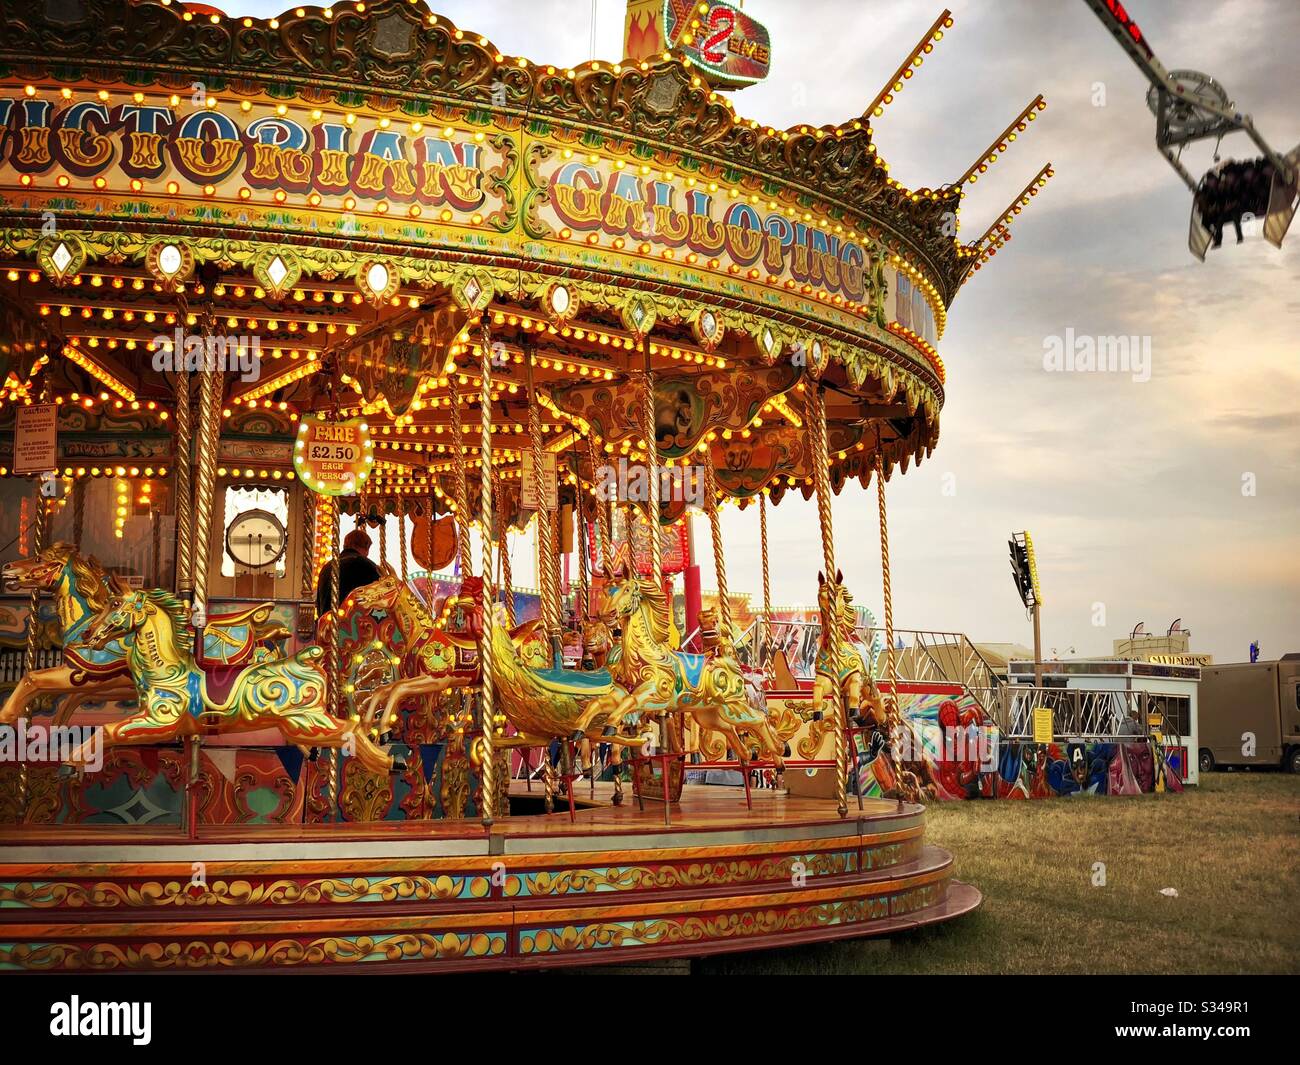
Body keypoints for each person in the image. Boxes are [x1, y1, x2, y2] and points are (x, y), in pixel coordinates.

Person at [316, 527, 382, 616]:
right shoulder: (367, 566)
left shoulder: (327, 567)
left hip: (325, 622)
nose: (367, 554)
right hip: (354, 625)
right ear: (366, 547)